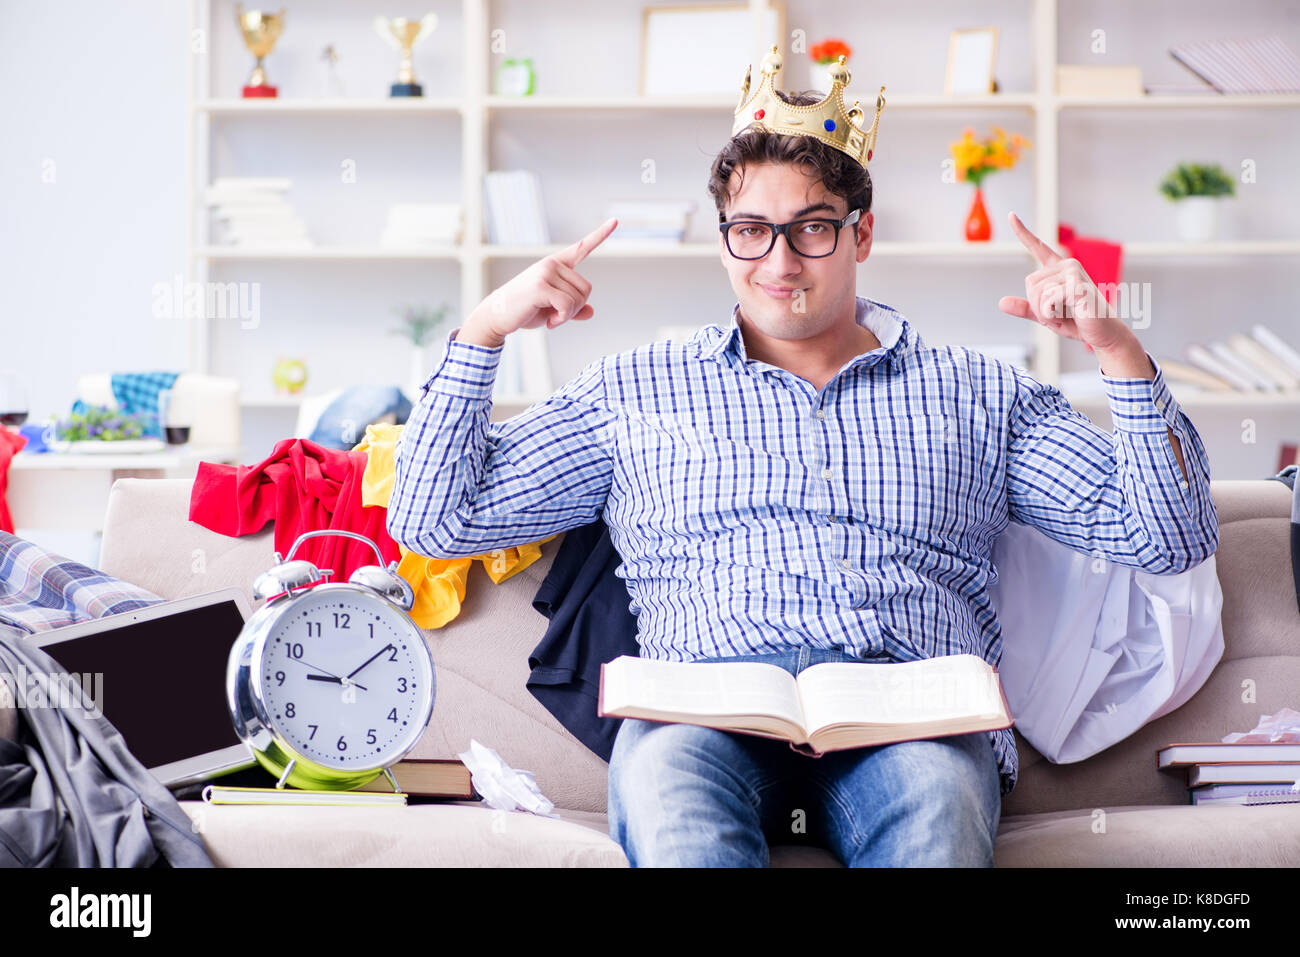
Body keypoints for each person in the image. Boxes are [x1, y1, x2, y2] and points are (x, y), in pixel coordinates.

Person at [386, 48, 1218, 867]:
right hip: (697, 714)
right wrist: (485, 331)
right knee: (670, 801)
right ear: (723, 242)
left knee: (938, 807)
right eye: (751, 231)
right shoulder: (633, 389)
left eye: (811, 229)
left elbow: (1168, 537)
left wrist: (1117, 351)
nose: (779, 264)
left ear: (862, 233)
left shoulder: (981, 392)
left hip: (912, 717)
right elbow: (435, 519)